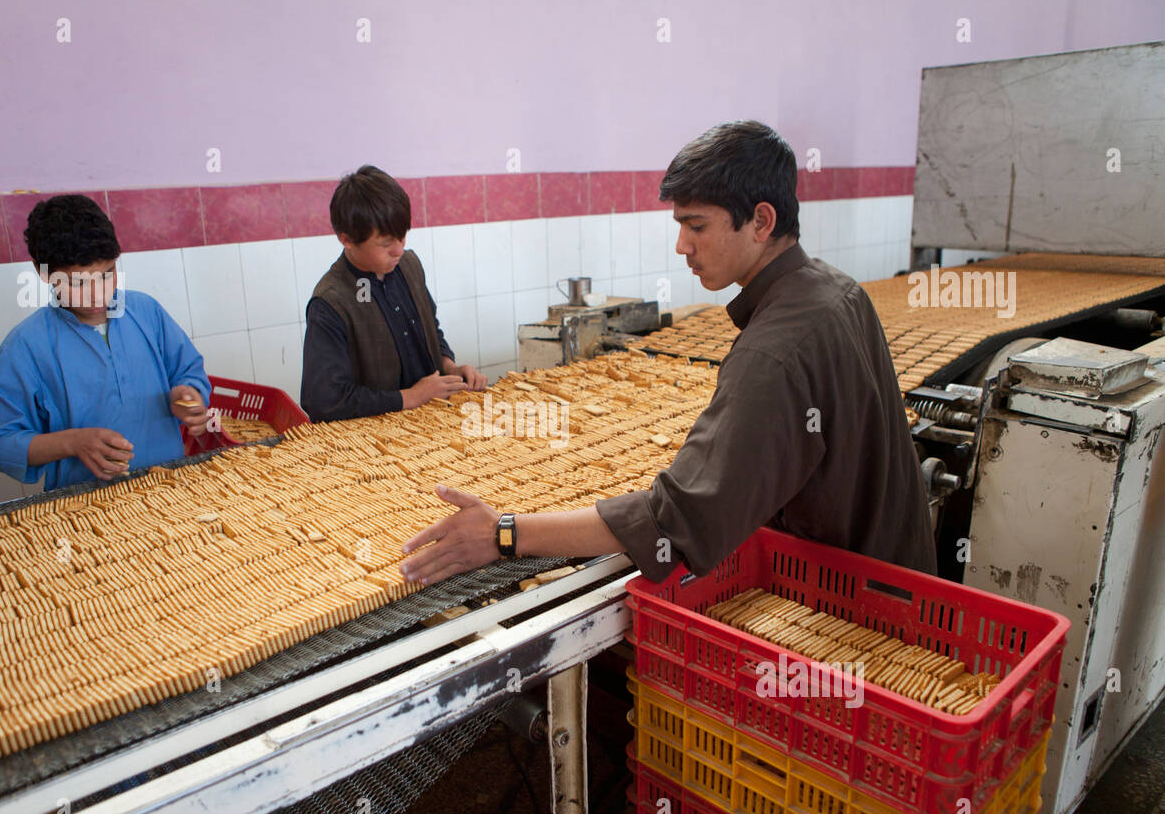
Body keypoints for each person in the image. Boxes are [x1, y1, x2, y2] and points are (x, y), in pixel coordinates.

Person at [399, 121, 937, 585]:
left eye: (696, 226)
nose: (681, 246)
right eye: (679, 225)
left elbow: (673, 523)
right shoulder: (838, 290)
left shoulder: (773, 353)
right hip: (902, 575)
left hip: (854, 614)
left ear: (762, 221)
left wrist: (505, 533)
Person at [0, 194, 211, 491]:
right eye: (77, 283)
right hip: (86, 509)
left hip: (170, 488)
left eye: (107, 274)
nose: (98, 294)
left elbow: (188, 371)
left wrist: (187, 395)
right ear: (44, 273)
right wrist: (72, 442)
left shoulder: (146, 313)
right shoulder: (25, 348)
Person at [301, 165, 487, 422]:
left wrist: (449, 366)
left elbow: (431, 329)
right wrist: (410, 397)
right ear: (347, 239)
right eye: (386, 243)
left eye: (402, 237)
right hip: (374, 443)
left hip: (432, 422)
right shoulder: (330, 303)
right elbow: (324, 401)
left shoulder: (409, 265)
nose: (398, 250)